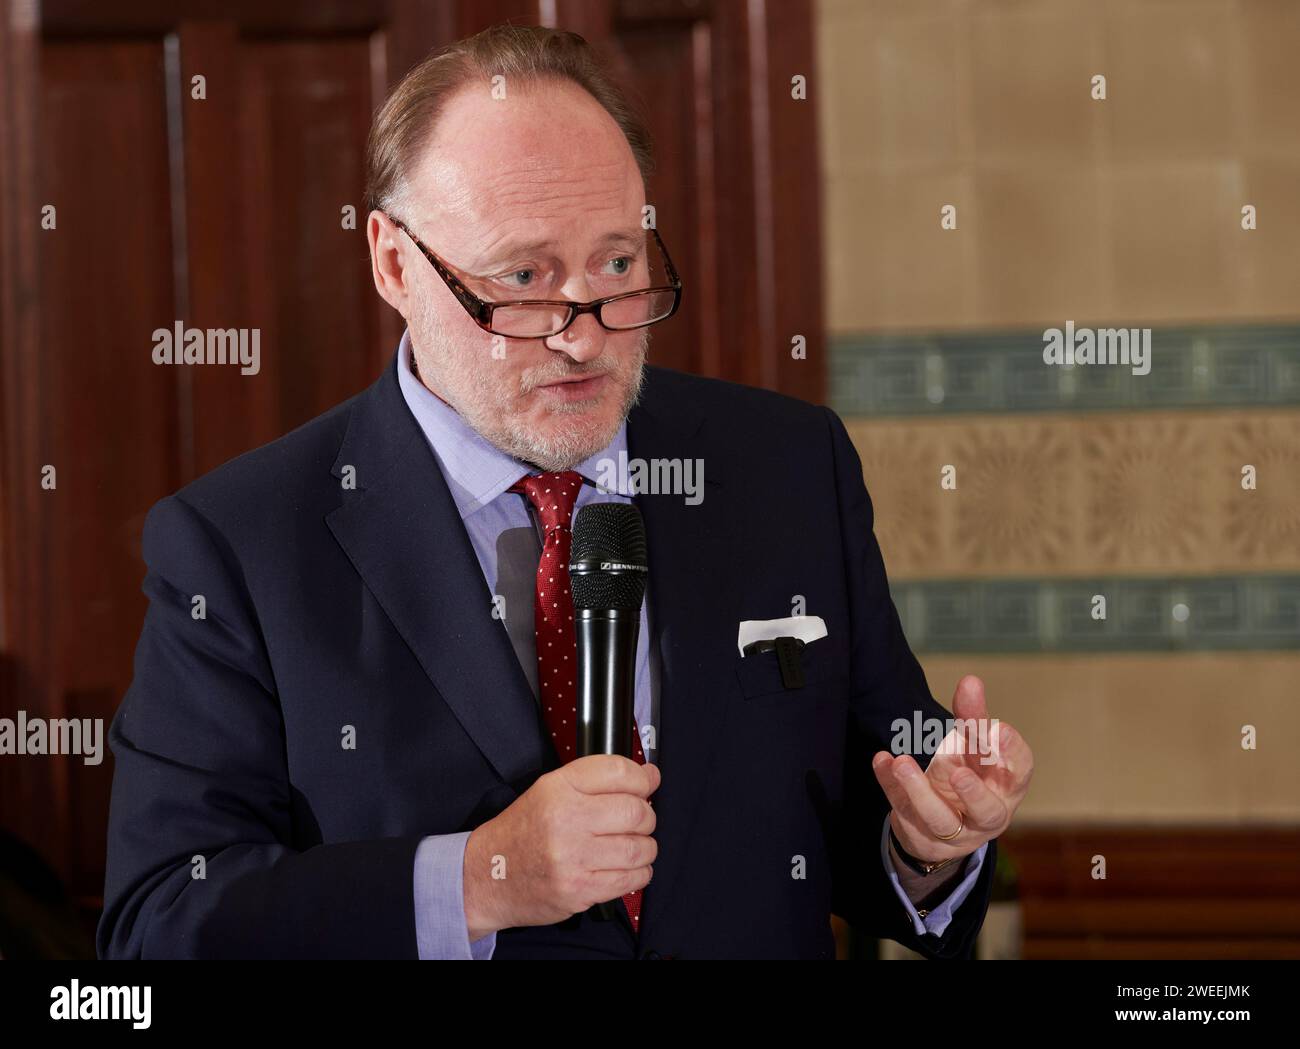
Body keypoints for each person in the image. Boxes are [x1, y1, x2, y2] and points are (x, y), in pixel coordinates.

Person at [98, 24, 1033, 960]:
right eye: (523, 279)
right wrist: (477, 877)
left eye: (618, 266)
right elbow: (158, 928)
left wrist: (928, 845)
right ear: (393, 263)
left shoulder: (788, 467)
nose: (585, 337)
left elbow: (872, 815)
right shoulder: (240, 544)